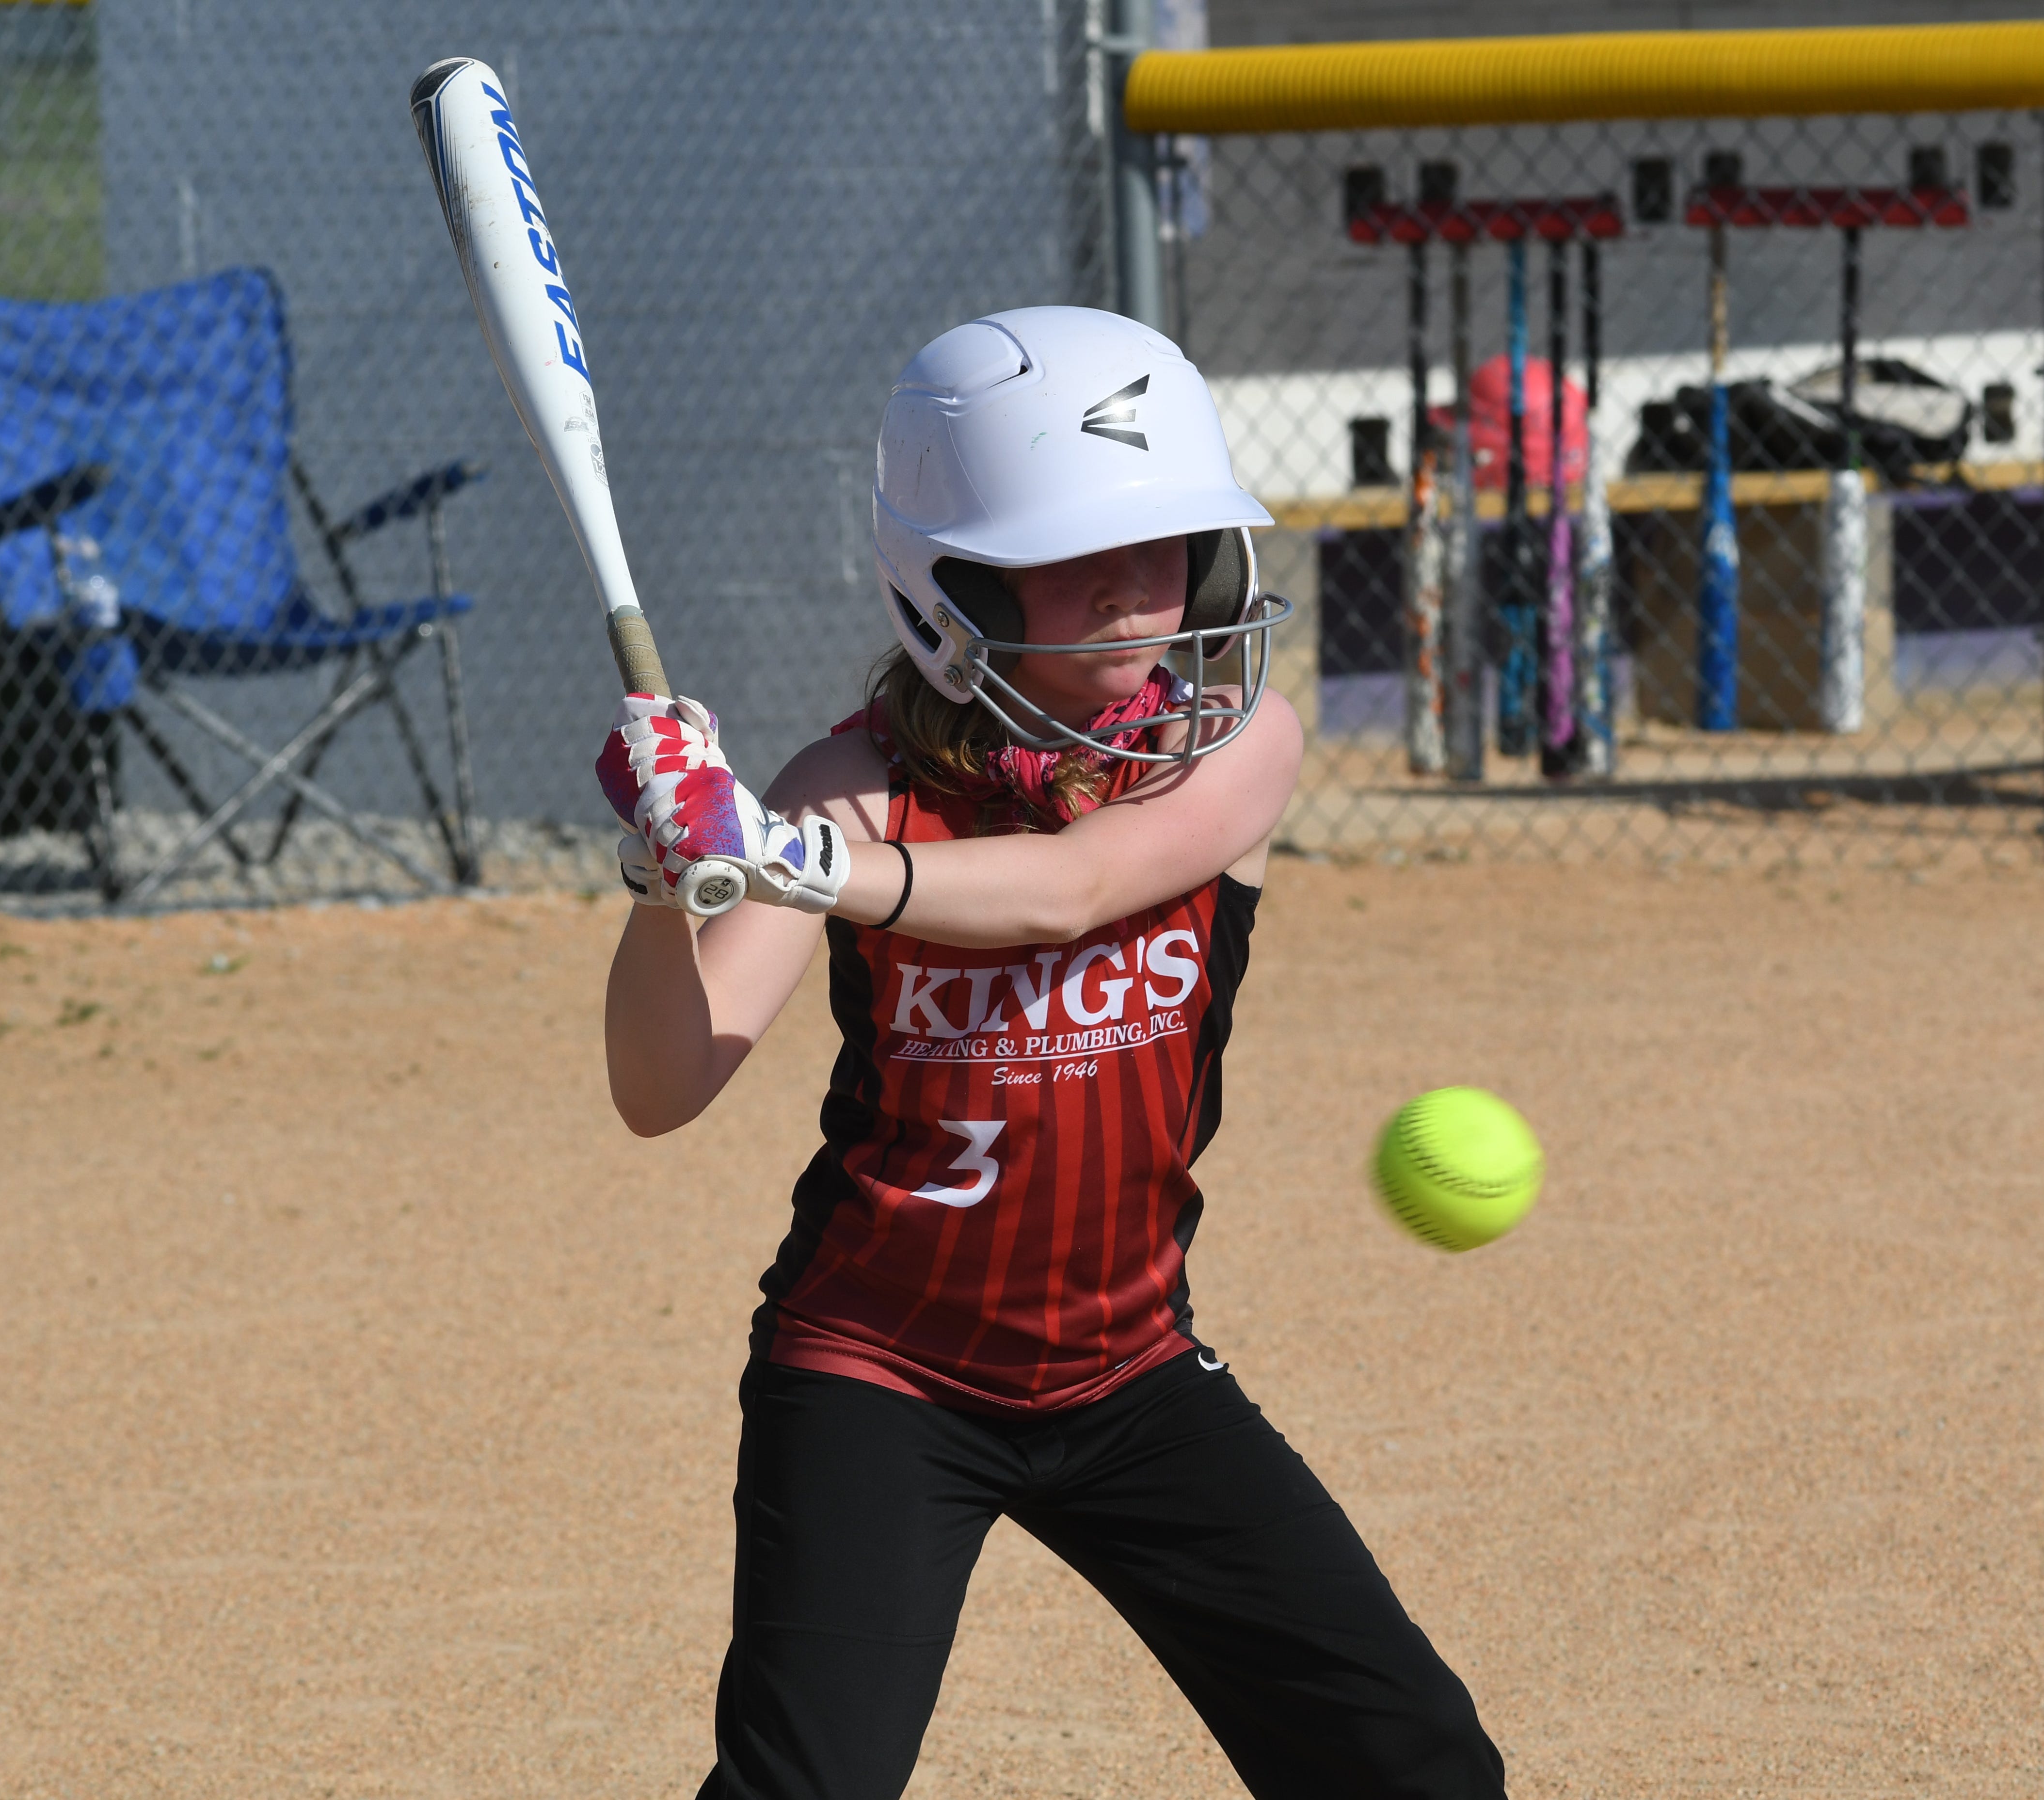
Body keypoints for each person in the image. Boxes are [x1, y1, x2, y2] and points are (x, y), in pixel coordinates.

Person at [598, 305, 1507, 1800]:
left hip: (1127, 1365)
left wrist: (807, 865)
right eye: (1076, 556)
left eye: (1164, 543)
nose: (1138, 591)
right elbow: (661, 1086)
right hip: (882, 1369)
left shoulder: (1235, 745)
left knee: (1415, 1765)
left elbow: (1073, 889)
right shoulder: (853, 792)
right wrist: (662, 877)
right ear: (951, 589)